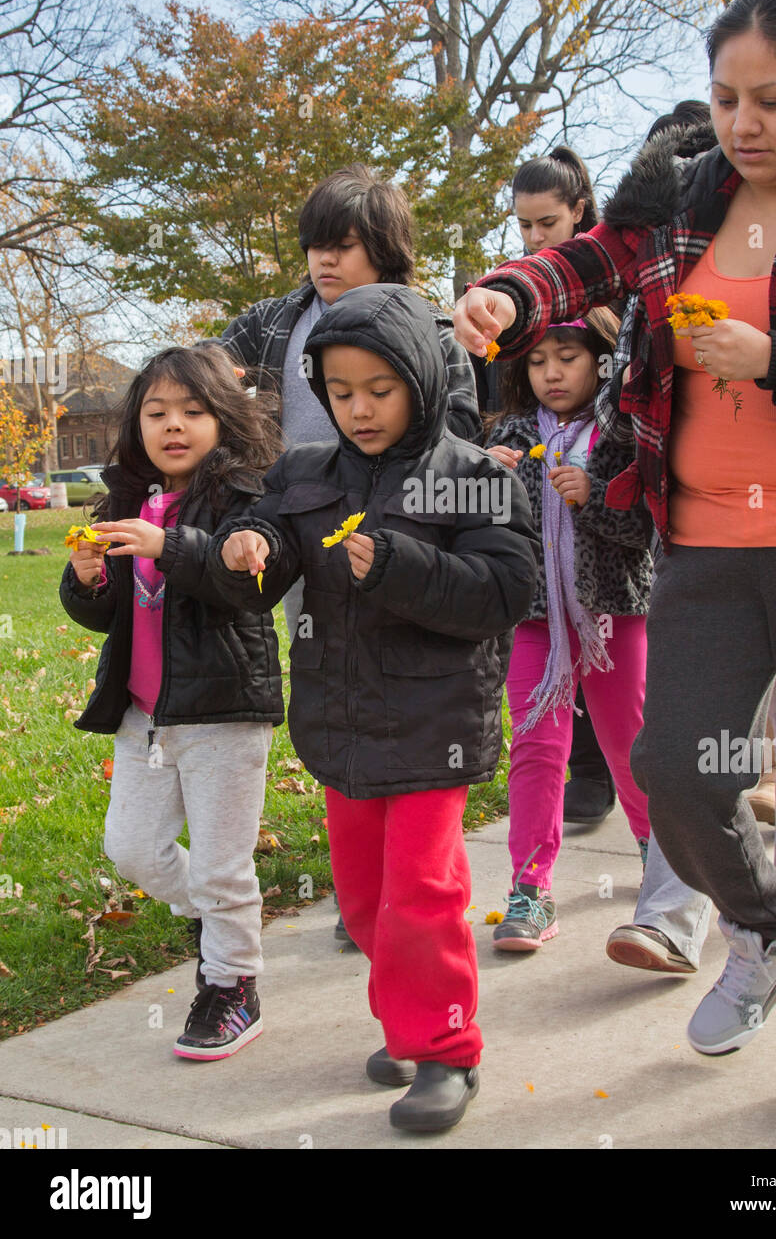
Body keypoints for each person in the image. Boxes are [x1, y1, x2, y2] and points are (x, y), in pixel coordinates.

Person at [451, 0, 776, 1147]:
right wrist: (509, 293)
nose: (743, 123)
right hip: (703, 538)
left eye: (772, 99)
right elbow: (592, 261)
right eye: (724, 99)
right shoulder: (689, 190)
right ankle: (760, 927)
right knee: (675, 763)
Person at [206, 284, 538, 1132]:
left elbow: (504, 592)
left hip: (435, 725)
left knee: (419, 893)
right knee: (361, 900)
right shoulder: (306, 472)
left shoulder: (472, 478)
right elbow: (272, 538)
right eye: (341, 391)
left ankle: (446, 1049)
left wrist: (396, 565)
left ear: (423, 381)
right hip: (342, 722)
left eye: (379, 391)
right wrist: (249, 547)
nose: (358, 409)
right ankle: (408, 1019)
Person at [216, 163, 482, 946]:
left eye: (342, 246)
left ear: (385, 249)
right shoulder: (275, 321)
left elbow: (458, 429)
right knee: (332, 683)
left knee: (407, 688)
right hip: (298, 529)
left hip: (398, 544)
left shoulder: (431, 332)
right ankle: (364, 882)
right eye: (314, 247)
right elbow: (203, 368)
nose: (323, 262)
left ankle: (420, 873)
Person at [59, 346, 285, 1060]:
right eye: (157, 413)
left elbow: (244, 580)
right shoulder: (124, 502)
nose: (174, 426)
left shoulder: (243, 500)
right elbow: (108, 617)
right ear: (136, 426)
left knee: (222, 866)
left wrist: (178, 546)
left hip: (222, 710)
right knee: (129, 849)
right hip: (142, 715)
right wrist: (89, 582)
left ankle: (231, 984)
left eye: (193, 412)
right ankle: (223, 924)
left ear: (223, 419)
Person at [485, 309, 655, 948]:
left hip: (613, 613)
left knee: (629, 743)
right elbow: (485, 534)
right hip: (533, 619)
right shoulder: (511, 434)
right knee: (534, 746)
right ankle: (530, 888)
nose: (551, 373)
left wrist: (596, 492)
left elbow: (642, 531)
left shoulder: (622, 433)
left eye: (568, 357)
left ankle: (656, 853)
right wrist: (485, 483)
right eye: (536, 361)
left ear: (602, 361)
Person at [493, 146, 618, 825]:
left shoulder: (613, 283)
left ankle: (611, 781)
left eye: (548, 223)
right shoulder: (518, 293)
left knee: (610, 660)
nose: (536, 240)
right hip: (540, 514)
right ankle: (581, 774)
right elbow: (508, 391)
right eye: (524, 228)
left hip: (608, 508)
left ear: (580, 211)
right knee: (551, 636)